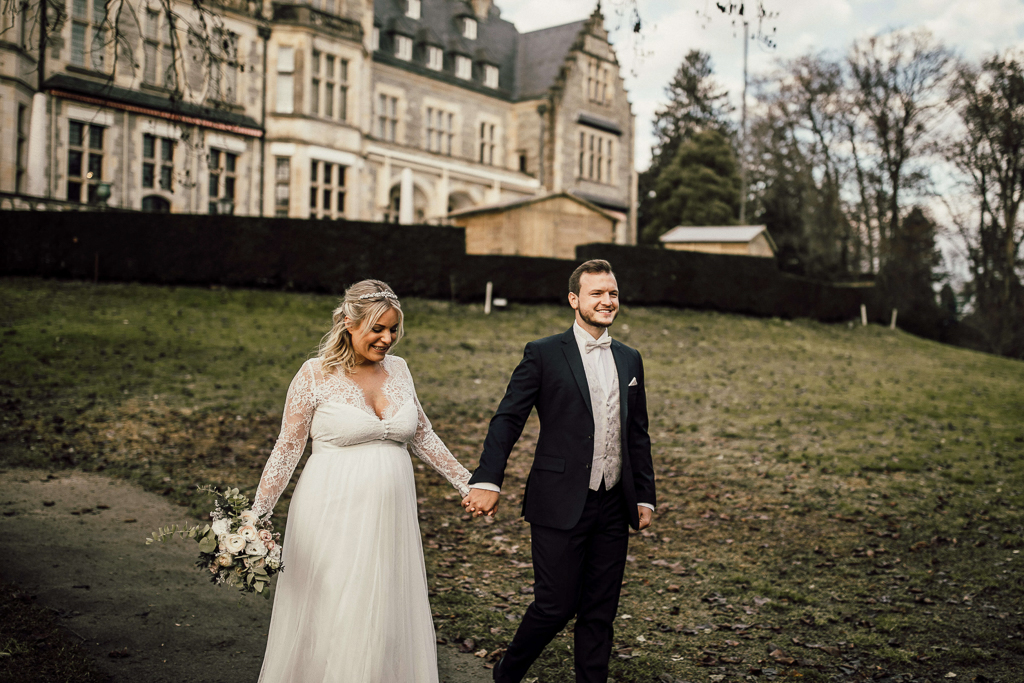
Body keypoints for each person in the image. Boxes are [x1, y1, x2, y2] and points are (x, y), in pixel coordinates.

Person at [251, 279, 472, 683]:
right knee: (338, 607)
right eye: (378, 329)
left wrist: (466, 483)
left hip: (391, 520)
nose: (387, 338)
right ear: (348, 324)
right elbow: (287, 448)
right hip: (330, 513)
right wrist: (256, 516)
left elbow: (423, 434)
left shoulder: (399, 369)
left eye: (393, 329)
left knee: (383, 609)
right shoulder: (314, 375)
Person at [462, 259, 656, 683]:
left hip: (614, 502)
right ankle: (507, 674)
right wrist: (488, 478)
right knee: (555, 605)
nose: (607, 301)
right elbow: (508, 419)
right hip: (559, 500)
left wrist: (644, 495)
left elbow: (636, 433)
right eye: (596, 293)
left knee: (600, 611)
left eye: (612, 293)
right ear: (574, 299)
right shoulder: (544, 353)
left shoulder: (630, 359)